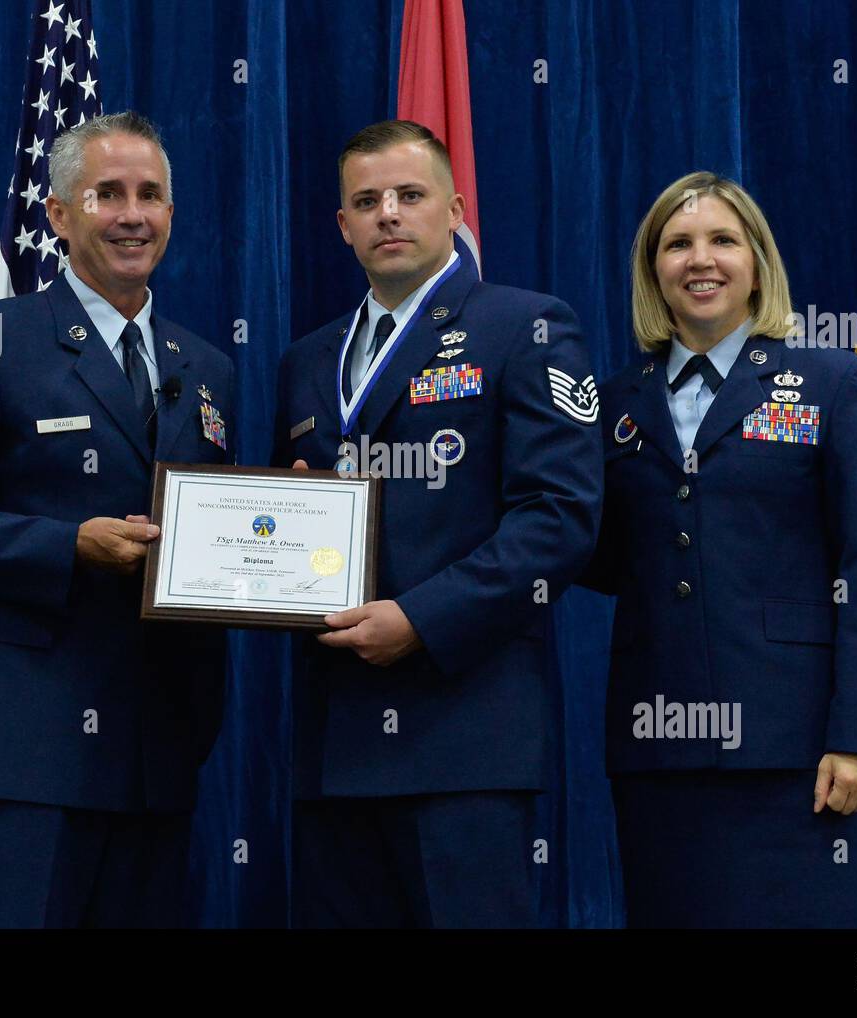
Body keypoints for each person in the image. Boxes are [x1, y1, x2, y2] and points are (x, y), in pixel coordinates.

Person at [0, 112, 234, 928]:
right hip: (26, 753)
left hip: (160, 748)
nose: (133, 214)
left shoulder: (207, 366)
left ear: (174, 215)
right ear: (60, 213)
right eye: (107, 193)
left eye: (151, 195)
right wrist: (66, 546)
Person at [273, 120, 603, 928]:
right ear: (342, 226)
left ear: (454, 209)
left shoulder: (525, 326)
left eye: (409, 195)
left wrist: (420, 619)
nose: (389, 213)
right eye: (367, 201)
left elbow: (560, 521)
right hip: (335, 740)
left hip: (465, 736)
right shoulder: (306, 359)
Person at [583, 171, 857, 927]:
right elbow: (586, 550)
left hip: (797, 754)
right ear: (651, 269)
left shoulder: (833, 381)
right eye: (678, 243)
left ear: (756, 261)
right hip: (659, 747)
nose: (701, 259)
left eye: (723, 240)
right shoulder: (615, 402)